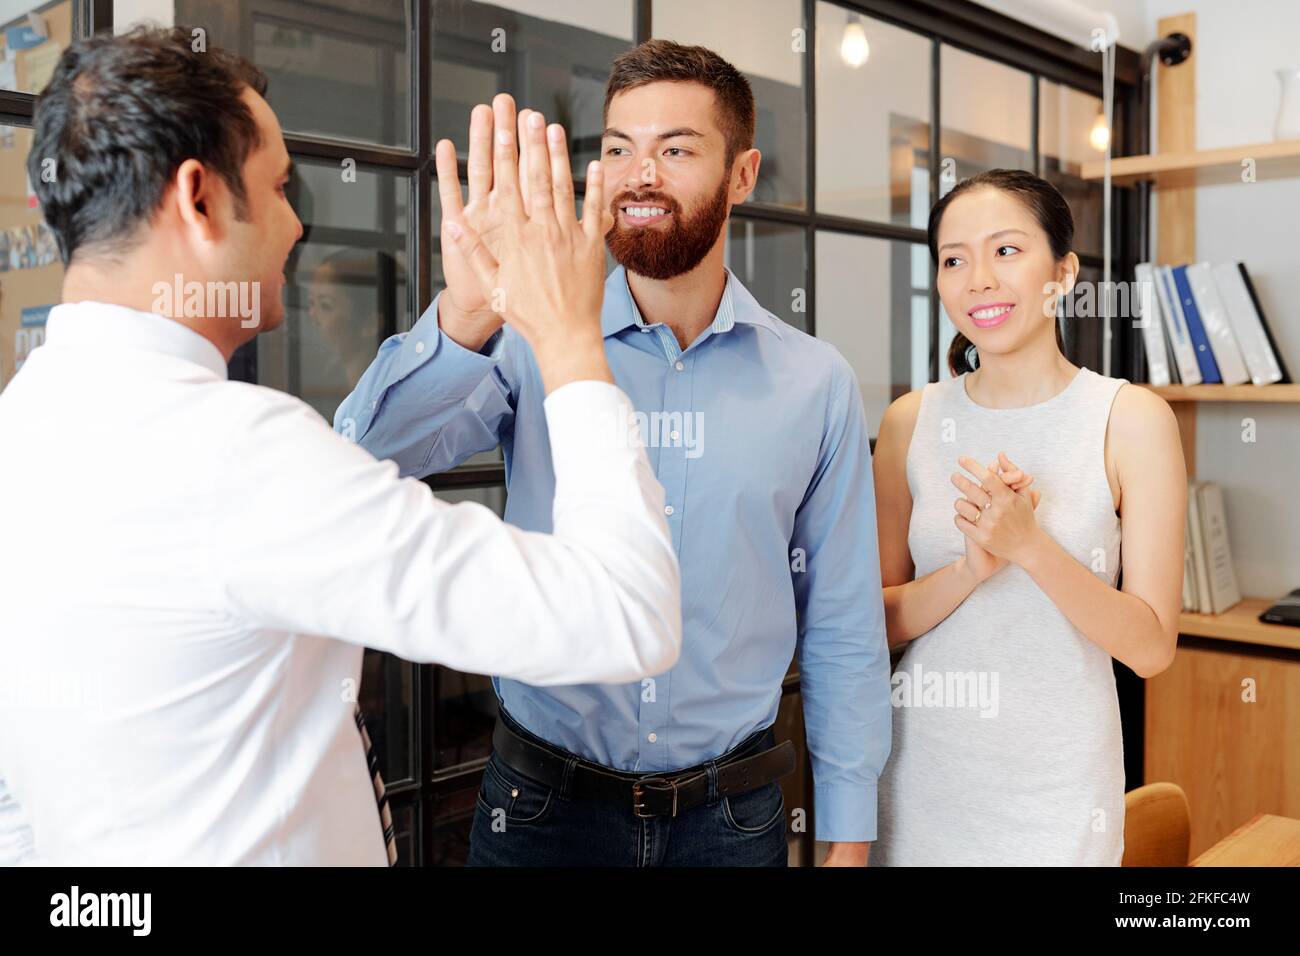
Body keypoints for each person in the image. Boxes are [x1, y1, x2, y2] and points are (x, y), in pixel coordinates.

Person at [0, 26, 680, 866]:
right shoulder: (236, 455)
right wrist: (572, 337)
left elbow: (17, 807)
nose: (294, 224)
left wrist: (470, 318)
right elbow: (625, 617)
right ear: (198, 198)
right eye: (280, 186)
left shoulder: (24, 424)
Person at [336, 40, 891, 867]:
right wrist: (467, 311)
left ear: (742, 176)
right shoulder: (529, 336)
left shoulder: (816, 384)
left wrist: (848, 837)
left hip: (731, 820)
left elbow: (843, 624)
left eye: (675, 149)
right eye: (621, 148)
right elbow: (362, 457)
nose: (640, 176)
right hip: (540, 809)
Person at [869, 169, 1185, 866]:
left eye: (1006, 251)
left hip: (1061, 793)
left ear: (1064, 272)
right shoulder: (910, 423)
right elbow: (872, 622)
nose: (978, 278)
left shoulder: (1130, 420)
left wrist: (1030, 547)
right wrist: (969, 569)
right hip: (924, 782)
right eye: (954, 259)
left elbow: (1152, 647)